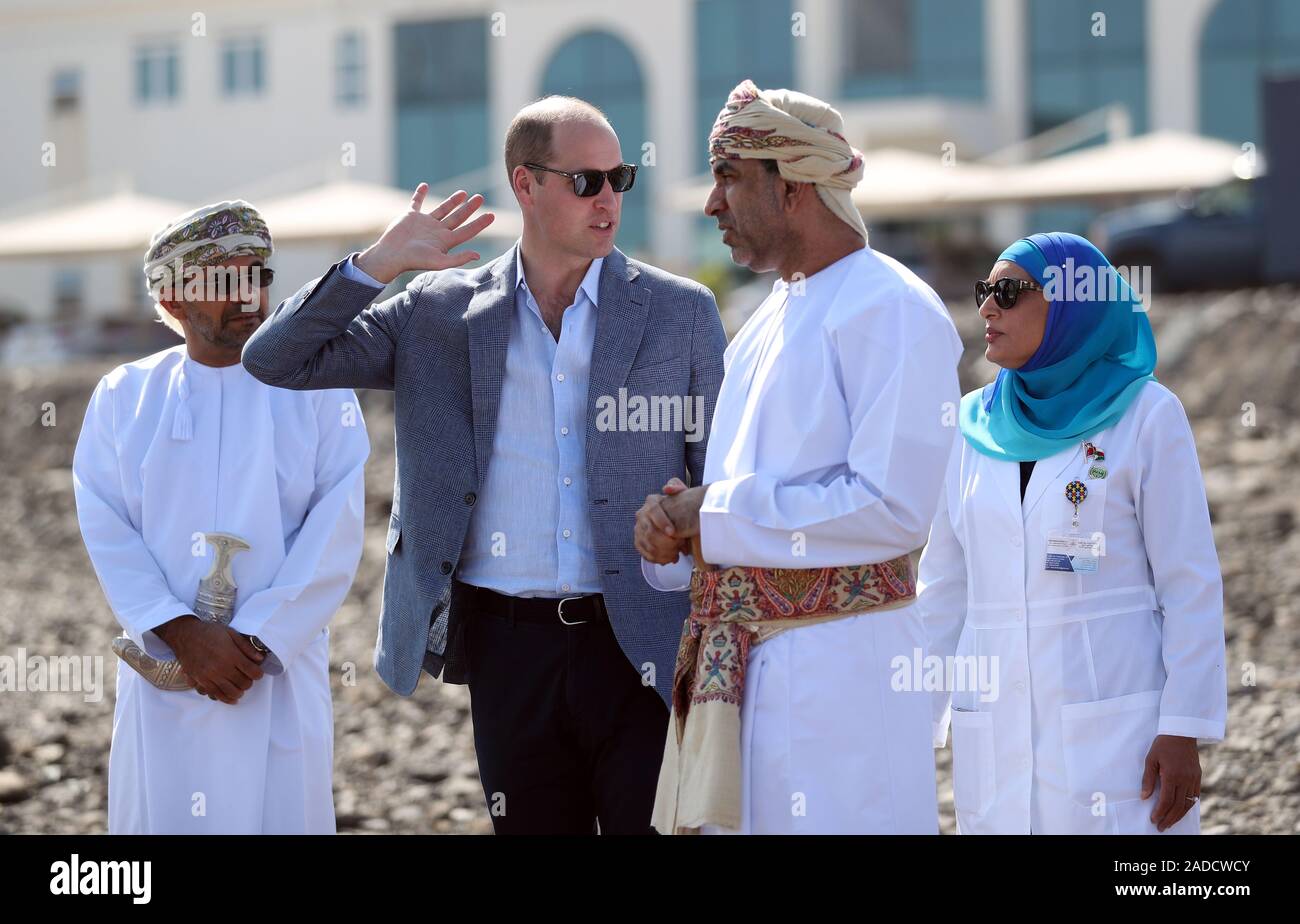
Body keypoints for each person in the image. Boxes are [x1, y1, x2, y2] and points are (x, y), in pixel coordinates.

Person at [242, 96, 727, 834]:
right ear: (525, 185)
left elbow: (719, 479)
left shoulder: (680, 312)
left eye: (618, 178)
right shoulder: (436, 310)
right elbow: (275, 358)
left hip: (642, 641)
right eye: (586, 181)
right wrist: (378, 266)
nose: (609, 200)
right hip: (507, 649)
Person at [635, 79, 962, 834]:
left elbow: (893, 509)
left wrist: (710, 513)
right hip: (745, 677)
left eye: (730, 177)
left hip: (844, 686)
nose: (711, 204)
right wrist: (679, 536)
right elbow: (748, 505)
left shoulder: (893, 310)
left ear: (793, 189)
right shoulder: (762, 318)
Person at [917, 231, 1227, 834]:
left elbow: (1188, 582)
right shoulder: (971, 423)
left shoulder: (1147, 416)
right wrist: (914, 724)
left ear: (1068, 303)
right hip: (995, 733)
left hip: (1119, 733)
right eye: (984, 291)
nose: (986, 308)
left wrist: (1183, 726)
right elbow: (943, 589)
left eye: (1007, 292)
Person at [73, 201, 368, 833]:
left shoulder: (317, 389)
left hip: (274, 677)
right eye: (223, 281)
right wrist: (180, 631)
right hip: (165, 677)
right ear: (174, 300)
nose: (249, 297)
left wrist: (254, 643)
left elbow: (335, 529)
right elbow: (106, 528)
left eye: (257, 276)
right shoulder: (124, 395)